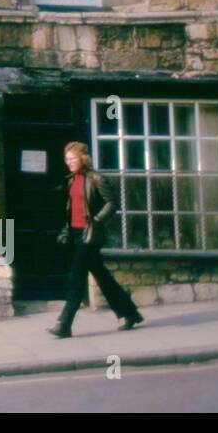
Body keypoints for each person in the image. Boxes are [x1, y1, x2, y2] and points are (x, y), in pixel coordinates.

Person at [47, 141, 144, 338]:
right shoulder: (72, 179)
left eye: (72, 159)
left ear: (83, 158)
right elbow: (72, 208)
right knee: (102, 275)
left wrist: (97, 221)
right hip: (76, 233)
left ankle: (64, 324)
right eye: (67, 159)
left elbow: (111, 202)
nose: (69, 163)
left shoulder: (96, 178)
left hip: (90, 234)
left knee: (76, 277)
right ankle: (130, 313)